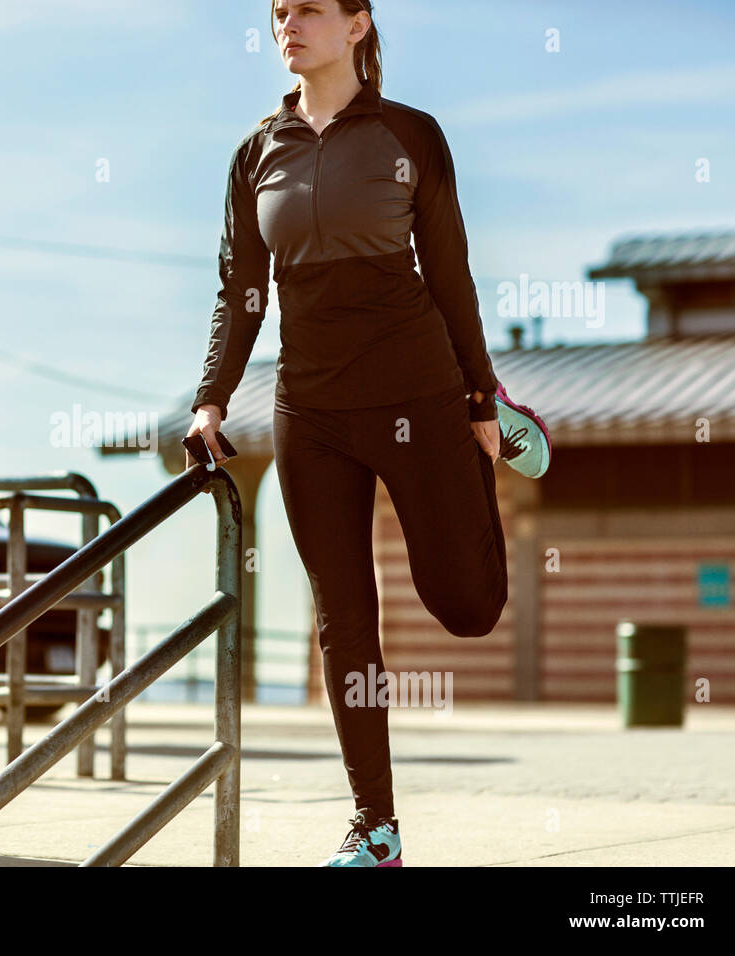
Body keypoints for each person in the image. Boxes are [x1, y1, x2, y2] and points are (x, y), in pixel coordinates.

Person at [184, 0, 552, 867]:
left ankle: (496, 435)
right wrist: (211, 399)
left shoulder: (411, 135)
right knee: (343, 622)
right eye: (279, 11)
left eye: (309, 8)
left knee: (467, 607)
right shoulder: (255, 152)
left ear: (357, 24)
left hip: (418, 390)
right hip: (309, 408)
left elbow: (451, 267)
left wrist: (477, 392)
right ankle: (375, 826)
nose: (289, 23)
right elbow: (241, 287)